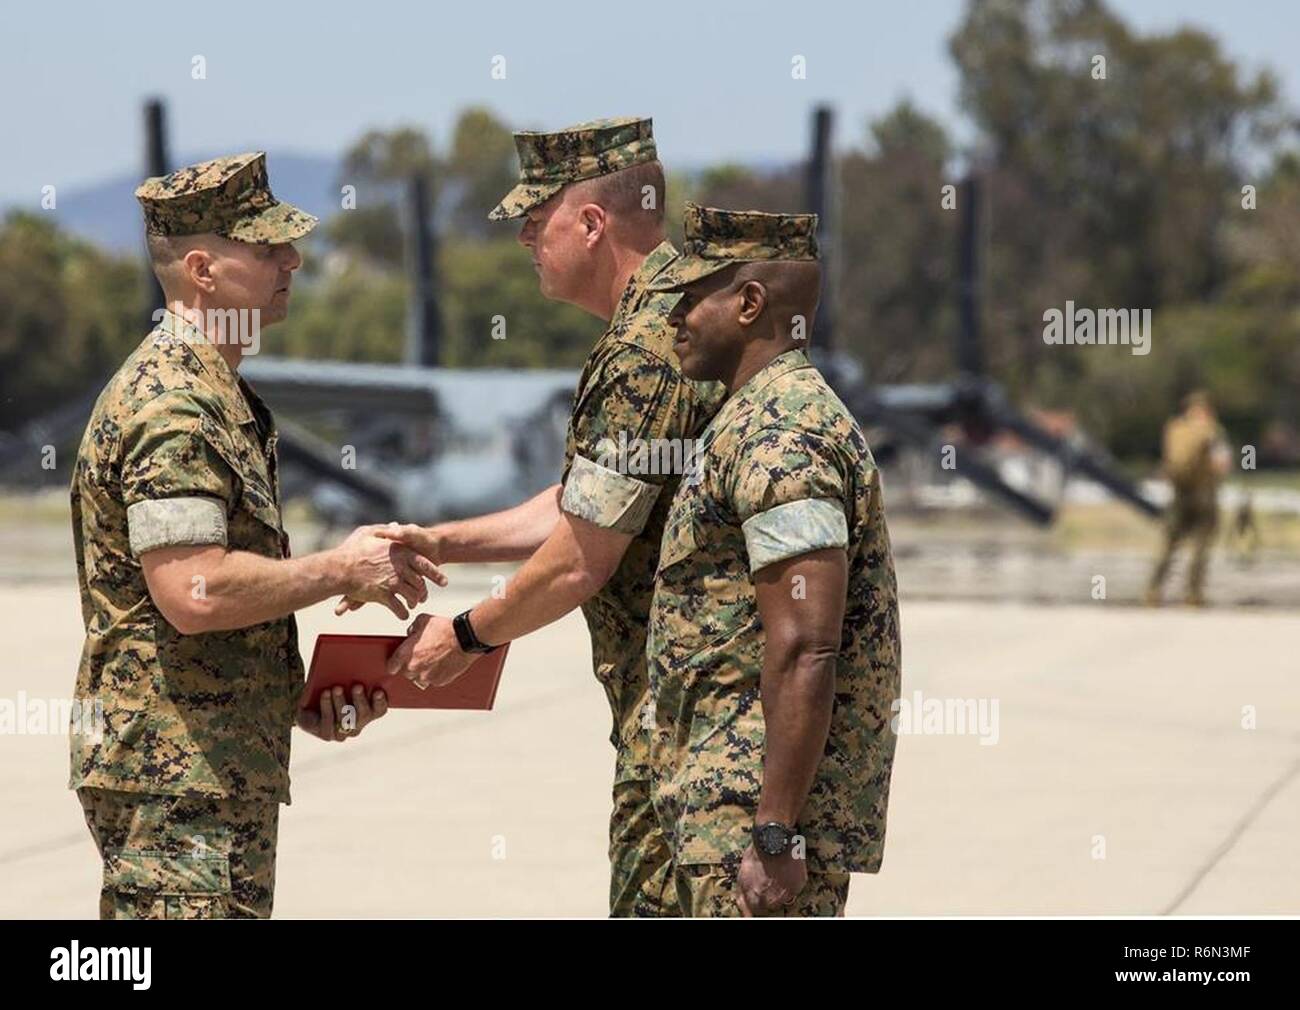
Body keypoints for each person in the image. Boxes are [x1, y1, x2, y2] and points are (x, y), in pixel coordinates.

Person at [358, 118, 723, 916]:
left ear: (592, 224)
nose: (525, 236)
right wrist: (442, 539)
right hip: (684, 720)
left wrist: (463, 637)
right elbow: (582, 506)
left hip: (696, 731)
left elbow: (581, 558)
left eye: (538, 217)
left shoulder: (646, 350)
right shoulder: (667, 323)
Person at [70, 152, 443, 919]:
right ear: (203, 269)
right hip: (174, 782)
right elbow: (193, 593)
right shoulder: (174, 404)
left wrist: (286, 694)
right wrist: (343, 569)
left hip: (211, 765)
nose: (292, 260)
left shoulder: (217, 391)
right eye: (267, 247)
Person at [644, 203, 901, 916]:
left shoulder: (783, 435)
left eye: (692, 299)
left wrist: (776, 831)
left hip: (749, 817)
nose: (676, 319)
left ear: (750, 304)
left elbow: (804, 644)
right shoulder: (753, 418)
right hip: (728, 805)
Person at [1145, 391, 1231, 607]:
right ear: (1207, 410)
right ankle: (1193, 594)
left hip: (1179, 495)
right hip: (1203, 496)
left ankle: (1153, 590)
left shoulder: (1175, 429)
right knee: (1201, 546)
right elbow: (1221, 464)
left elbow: (1169, 462)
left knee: (1169, 545)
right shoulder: (1212, 431)